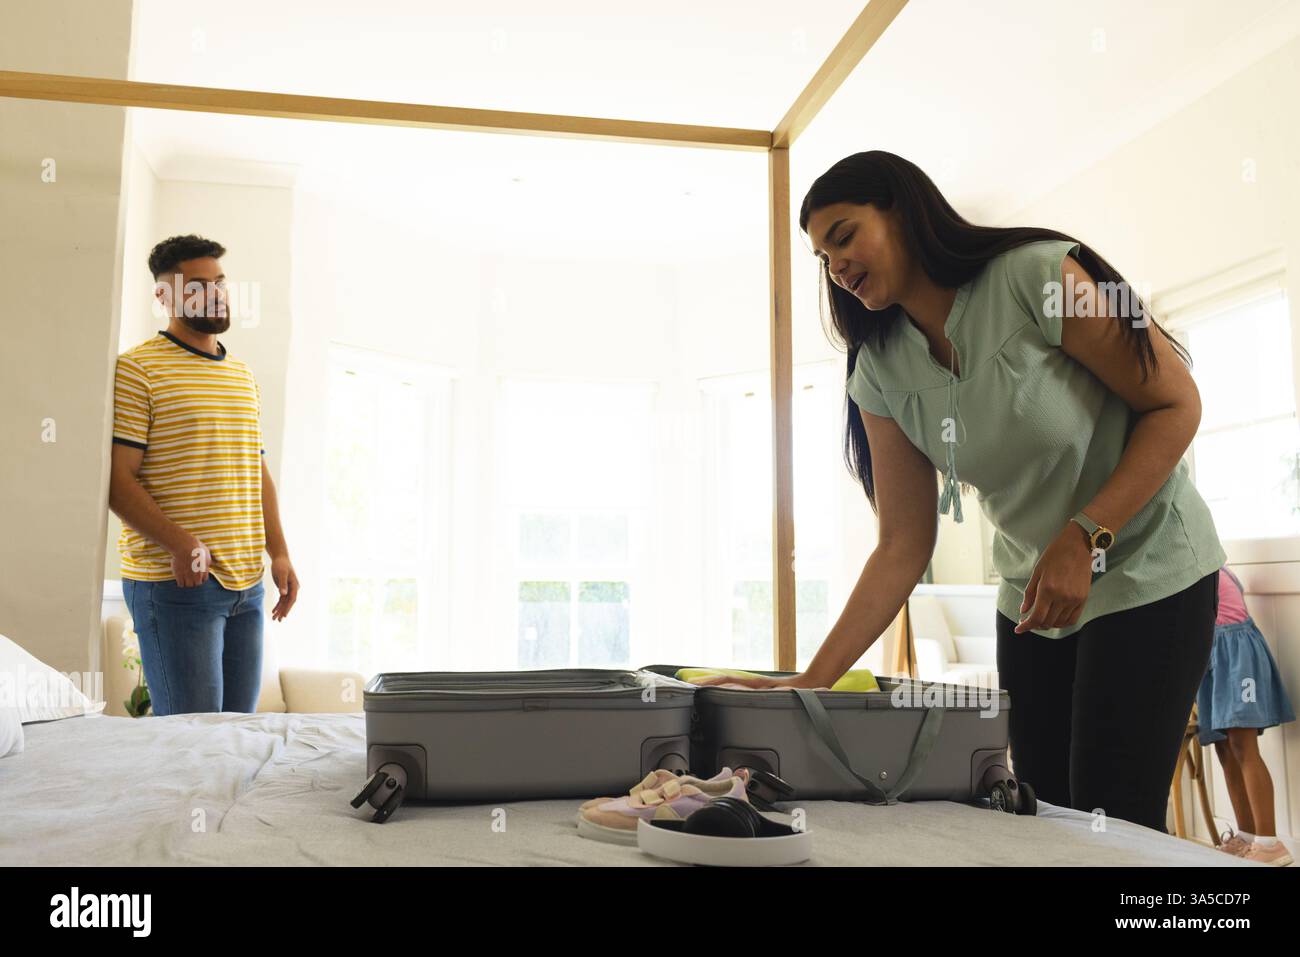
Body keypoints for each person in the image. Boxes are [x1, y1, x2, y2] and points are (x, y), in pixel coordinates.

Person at [696, 151, 1226, 834]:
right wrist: (810, 680)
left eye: (845, 235)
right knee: (1046, 816)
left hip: (1151, 568)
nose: (836, 266)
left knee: (1113, 816)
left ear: (904, 212)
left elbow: (1177, 402)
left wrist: (1085, 533)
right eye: (823, 257)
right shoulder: (877, 367)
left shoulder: (1043, 271)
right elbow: (903, 545)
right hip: (1035, 593)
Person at [108, 234, 299, 715]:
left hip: (246, 586)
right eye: (197, 286)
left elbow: (254, 471)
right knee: (192, 745)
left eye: (219, 283)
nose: (214, 294)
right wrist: (180, 542)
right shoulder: (137, 371)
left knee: (236, 739)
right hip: (176, 586)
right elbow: (116, 482)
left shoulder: (241, 376)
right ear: (164, 297)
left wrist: (279, 553)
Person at [1200, 565, 1295, 865]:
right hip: (1211, 651)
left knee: (1243, 745)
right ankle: (1247, 836)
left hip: (1235, 650)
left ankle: (1269, 844)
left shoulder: (1209, 568)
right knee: (1224, 748)